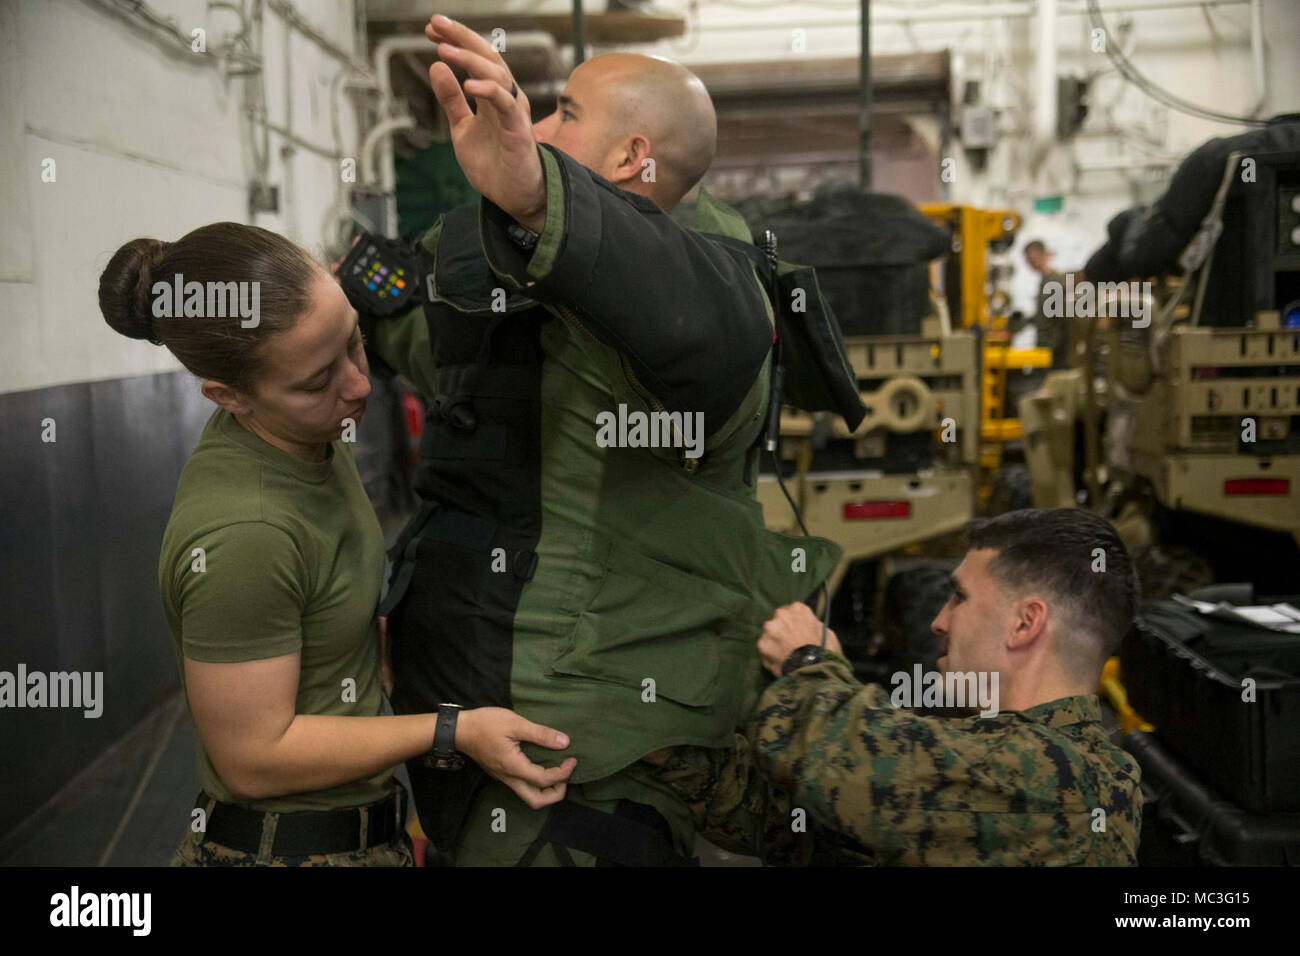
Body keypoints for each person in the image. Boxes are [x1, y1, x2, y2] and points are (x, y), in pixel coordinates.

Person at [358, 14, 856, 865]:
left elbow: (677, 309)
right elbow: (441, 354)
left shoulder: (715, 278)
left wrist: (536, 195)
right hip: (474, 708)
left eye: (564, 114)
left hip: (587, 745)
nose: (539, 129)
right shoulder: (522, 263)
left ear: (632, 160)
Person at [97, 222, 575, 866]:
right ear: (229, 397)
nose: (356, 386)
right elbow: (252, 760)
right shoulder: (246, 534)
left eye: (354, 341)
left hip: (361, 830)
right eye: (317, 380)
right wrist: (452, 731)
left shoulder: (307, 435)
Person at [654, 508, 1144, 865]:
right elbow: (798, 822)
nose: (937, 621)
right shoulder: (977, 762)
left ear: (1025, 624)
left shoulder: (1077, 786)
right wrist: (661, 750)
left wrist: (807, 661)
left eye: (959, 598)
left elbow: (853, 766)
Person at [1023, 239, 1070, 369]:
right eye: (1029, 260)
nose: (1032, 262)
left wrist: (1054, 349)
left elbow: (1062, 320)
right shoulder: (1045, 282)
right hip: (1045, 349)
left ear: (1044, 255)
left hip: (1054, 352)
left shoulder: (1055, 282)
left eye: (1034, 258)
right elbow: (1044, 315)